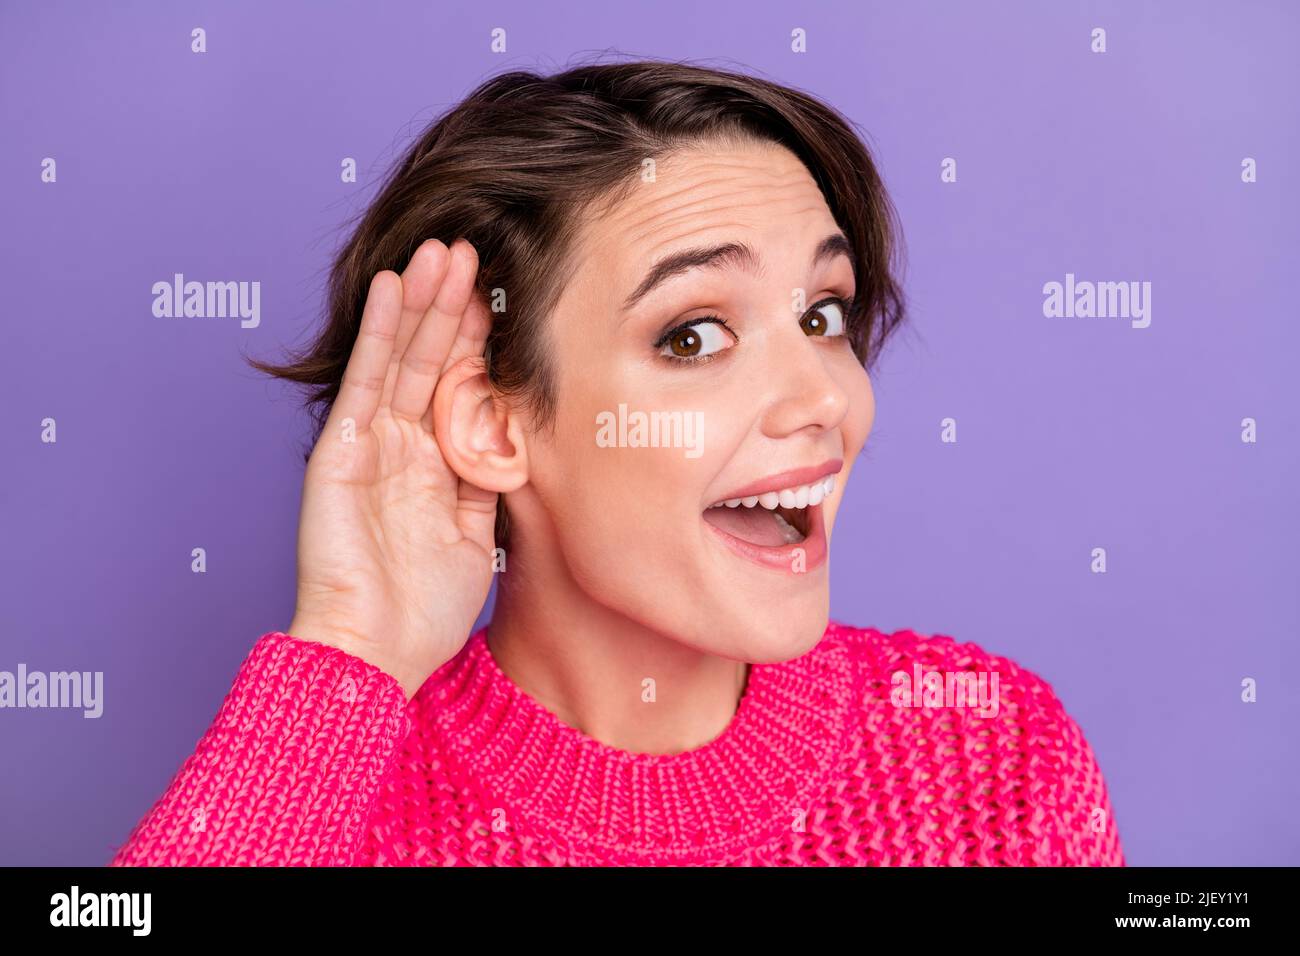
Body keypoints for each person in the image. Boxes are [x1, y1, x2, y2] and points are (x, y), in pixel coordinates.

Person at [108, 60, 1123, 866]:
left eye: (821, 315)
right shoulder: (333, 800)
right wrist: (347, 654)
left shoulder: (990, 754)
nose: (827, 396)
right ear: (495, 427)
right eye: (693, 335)